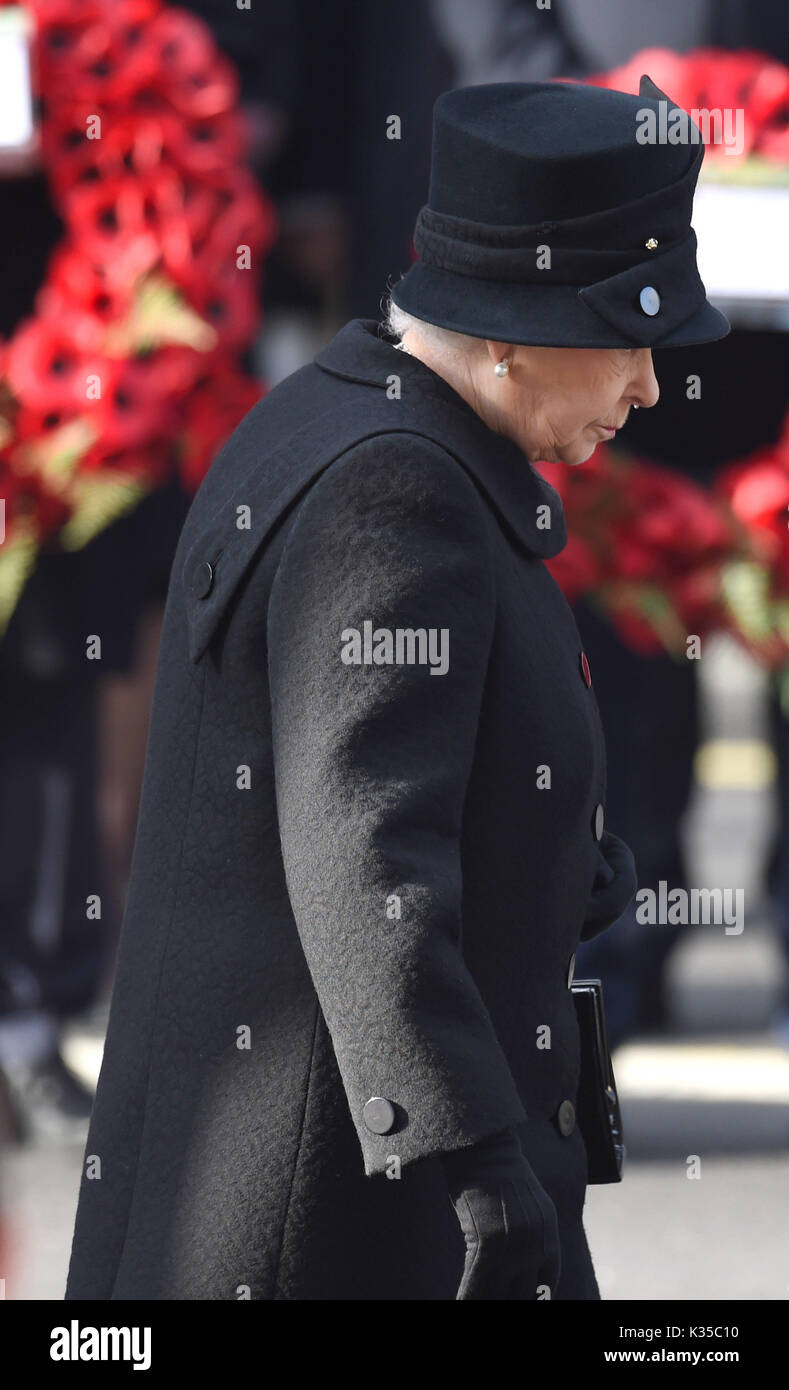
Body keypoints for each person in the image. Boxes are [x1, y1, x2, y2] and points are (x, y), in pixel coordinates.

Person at [64, 76, 728, 1302]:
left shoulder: (337, 412)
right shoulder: (398, 492)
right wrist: (476, 1170)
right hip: (348, 1217)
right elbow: (367, 859)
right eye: (627, 336)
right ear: (511, 332)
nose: (646, 385)